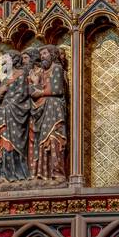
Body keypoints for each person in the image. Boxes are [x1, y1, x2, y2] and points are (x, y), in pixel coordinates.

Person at [29, 45, 69, 180]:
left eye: (45, 53)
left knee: (54, 138)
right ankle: (44, 174)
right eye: (41, 55)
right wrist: (35, 83)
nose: (42, 57)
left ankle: (58, 173)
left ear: (52, 54)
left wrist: (40, 92)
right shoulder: (41, 73)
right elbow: (33, 93)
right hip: (43, 110)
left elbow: (57, 90)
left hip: (54, 108)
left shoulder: (56, 68)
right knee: (41, 141)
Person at [0, 50, 32, 181]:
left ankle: (17, 174)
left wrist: (6, 107)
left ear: (14, 61)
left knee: (14, 144)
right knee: (3, 144)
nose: (3, 63)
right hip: (4, 115)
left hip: (15, 114)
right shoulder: (4, 80)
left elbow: (22, 94)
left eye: (5, 61)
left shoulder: (22, 74)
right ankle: (4, 173)